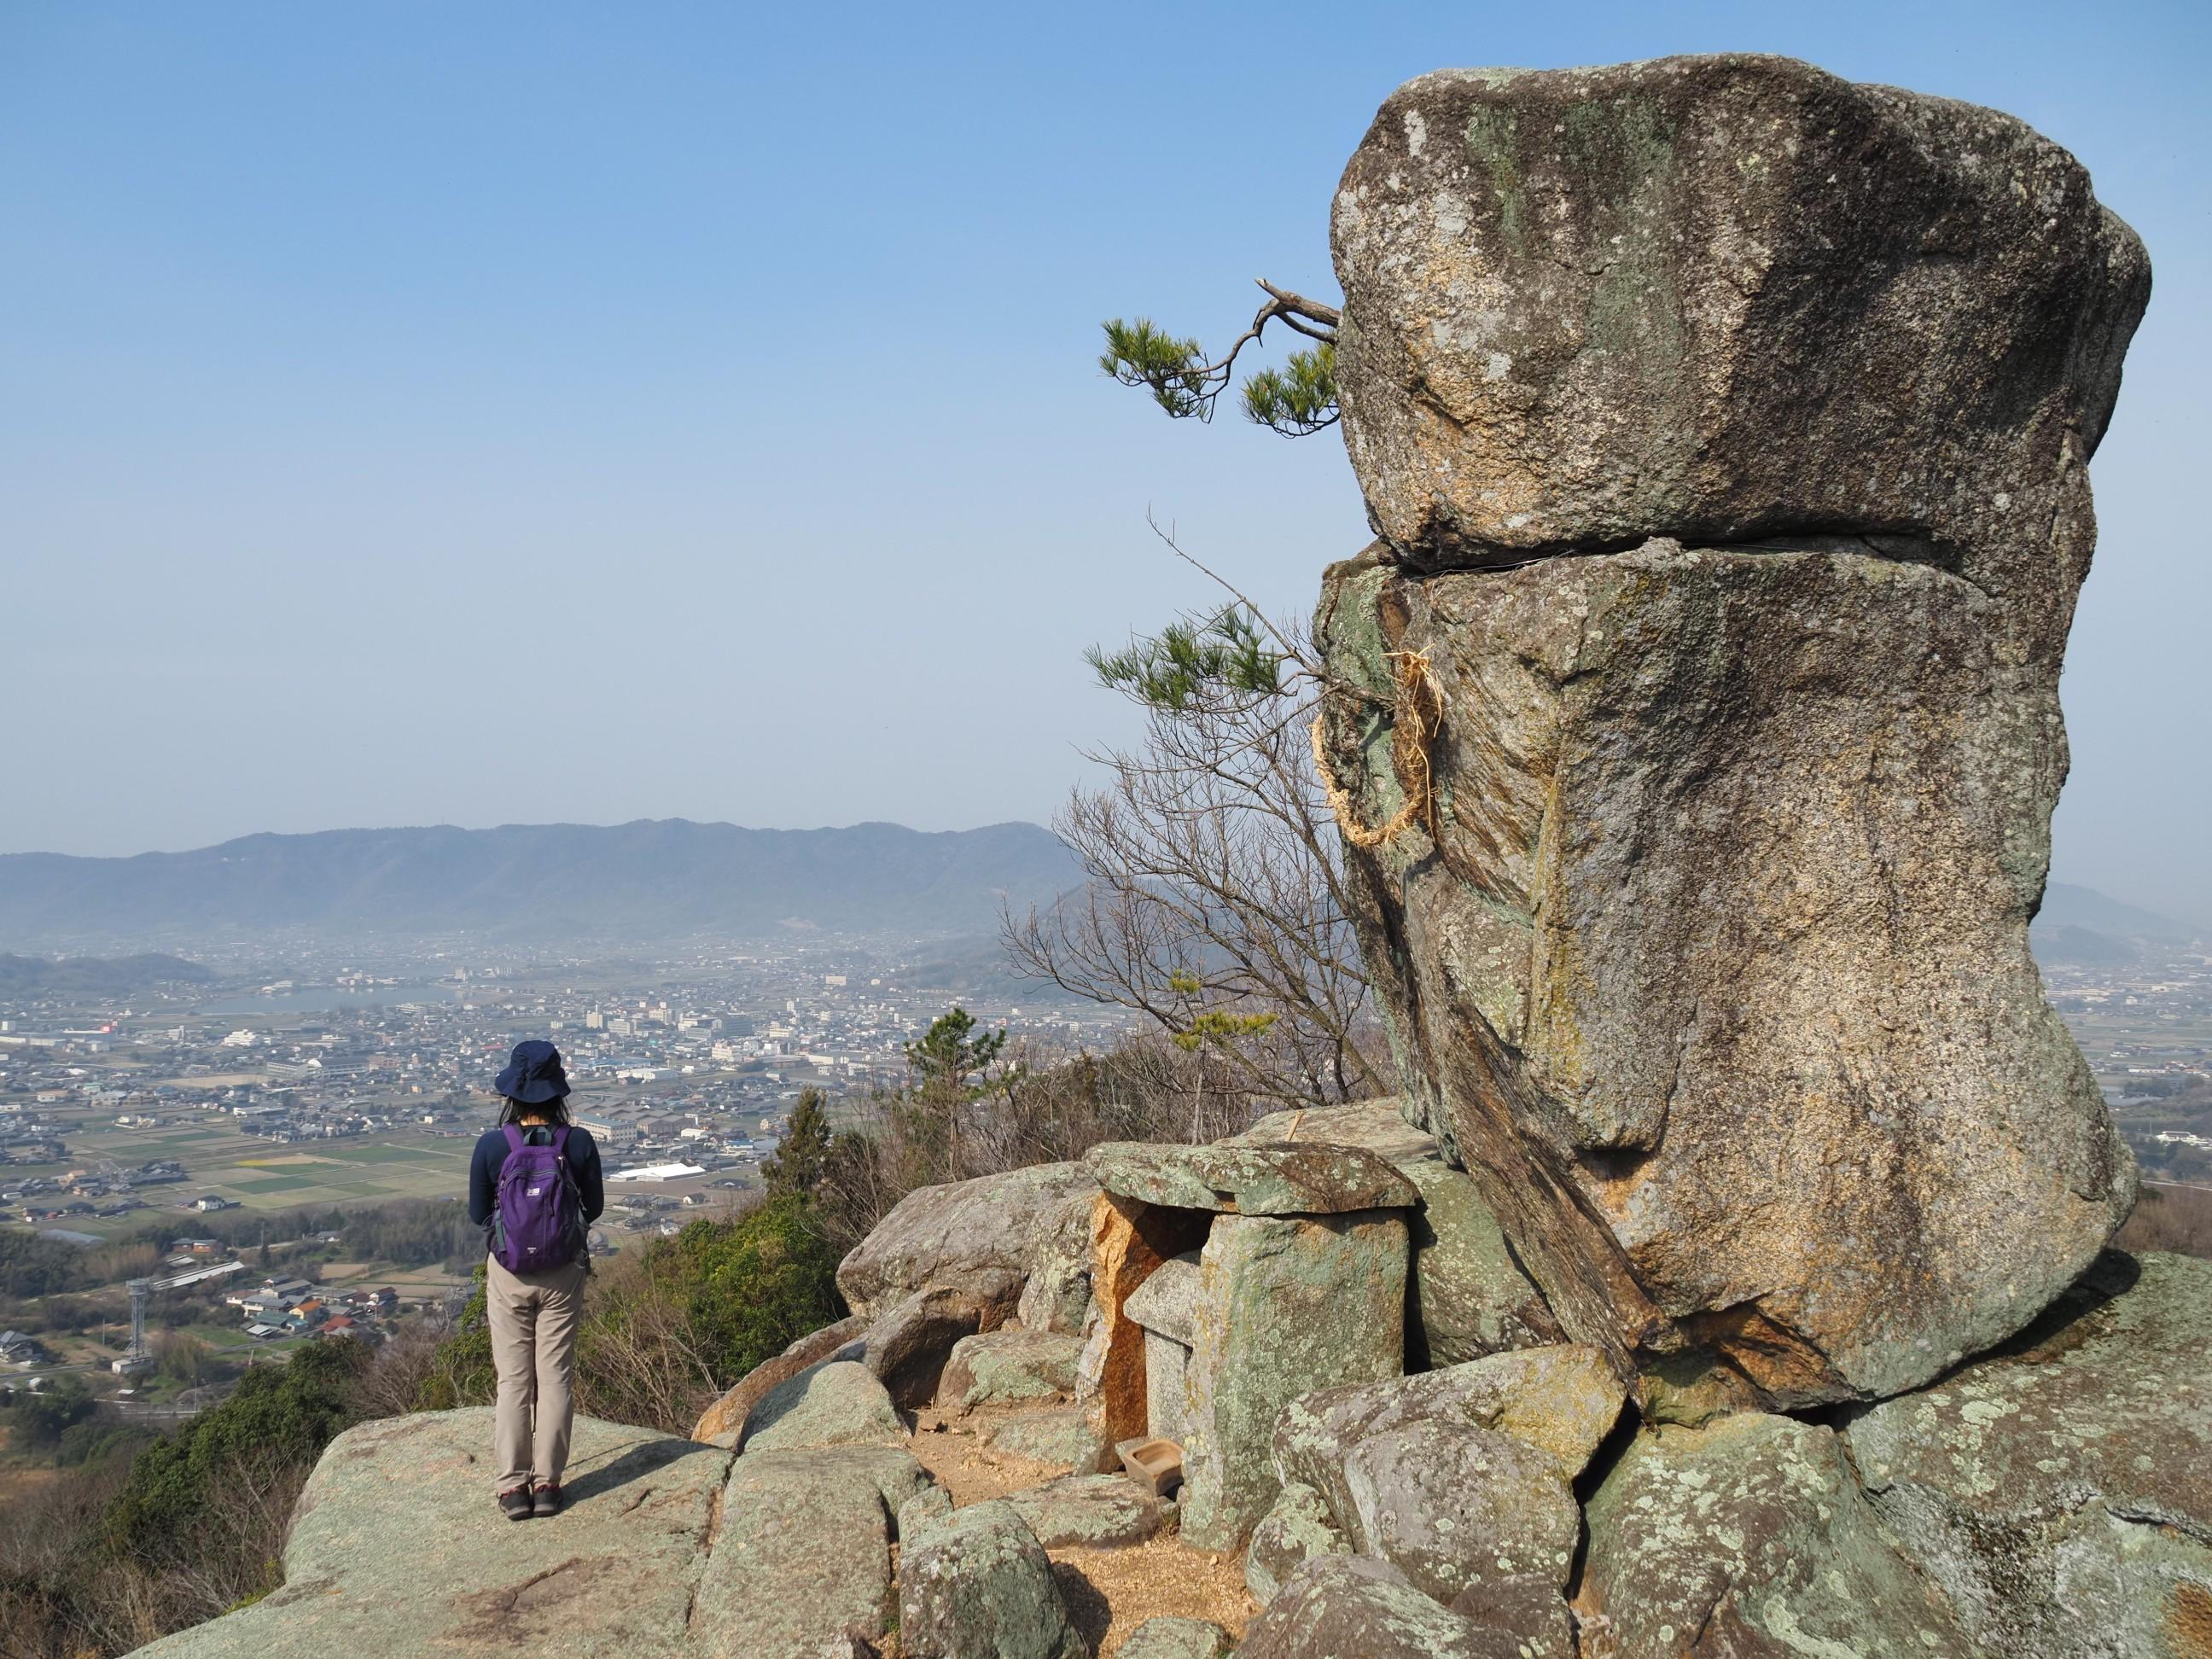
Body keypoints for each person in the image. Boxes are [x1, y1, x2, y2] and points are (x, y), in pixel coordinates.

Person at [468, 1039, 603, 1521]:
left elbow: (477, 1212)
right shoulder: (580, 1143)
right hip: (563, 1273)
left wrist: (511, 1238)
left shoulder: (491, 1145)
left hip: (508, 1273)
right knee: (556, 1376)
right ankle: (547, 1485)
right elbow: (596, 1208)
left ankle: (511, 1488)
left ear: (514, 1092)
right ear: (556, 1091)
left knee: (514, 1380)